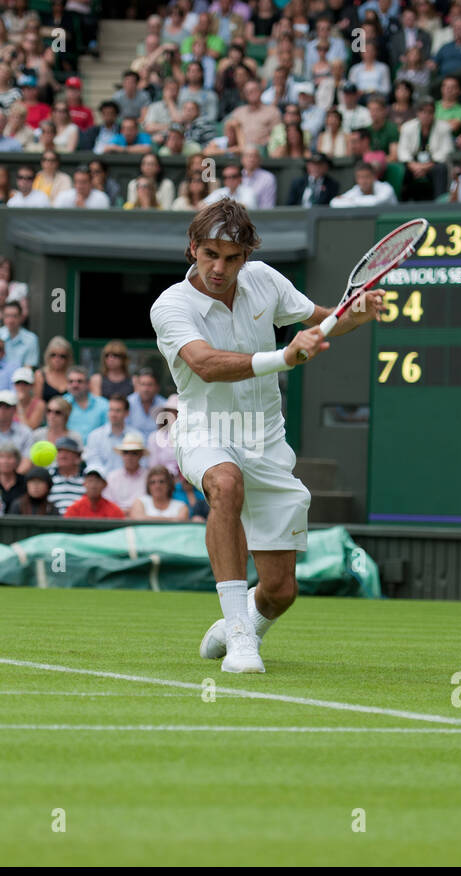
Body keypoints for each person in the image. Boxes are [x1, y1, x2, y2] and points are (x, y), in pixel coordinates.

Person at [149, 200, 382, 673]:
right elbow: (206, 364)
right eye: (210, 254)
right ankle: (238, 637)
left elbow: (322, 319)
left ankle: (242, 623)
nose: (220, 268)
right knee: (225, 484)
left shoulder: (265, 281)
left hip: (267, 441)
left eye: (232, 258)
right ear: (192, 248)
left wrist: (356, 312)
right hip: (203, 428)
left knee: (280, 591)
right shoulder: (171, 305)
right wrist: (285, 358)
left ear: (247, 256)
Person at [105, 433, 150, 510]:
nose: (129, 457)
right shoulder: (112, 477)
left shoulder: (149, 477)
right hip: (116, 517)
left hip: (140, 518)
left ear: (141, 455)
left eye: (134, 453)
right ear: (122, 455)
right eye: (126, 453)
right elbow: (107, 502)